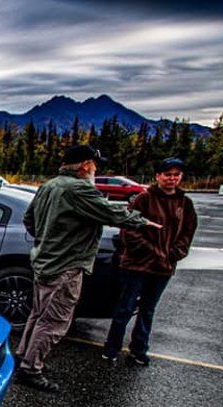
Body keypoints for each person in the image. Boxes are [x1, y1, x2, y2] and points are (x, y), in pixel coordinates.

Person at [15, 144, 160, 392]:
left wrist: (47, 240)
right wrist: (142, 221)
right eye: (94, 164)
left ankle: (24, 356)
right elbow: (110, 212)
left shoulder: (49, 186)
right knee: (54, 321)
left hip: (44, 262)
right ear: (85, 165)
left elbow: (29, 219)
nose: (96, 168)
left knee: (38, 315)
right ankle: (31, 369)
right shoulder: (79, 188)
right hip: (65, 266)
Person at [102, 157, 197, 365]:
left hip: (163, 268)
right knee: (125, 307)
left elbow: (188, 233)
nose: (172, 178)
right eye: (167, 174)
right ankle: (112, 347)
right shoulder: (144, 199)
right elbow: (129, 228)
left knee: (148, 309)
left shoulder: (185, 204)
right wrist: (153, 251)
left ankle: (139, 349)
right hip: (137, 264)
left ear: (181, 177)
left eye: (176, 175)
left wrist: (175, 253)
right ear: (158, 176)